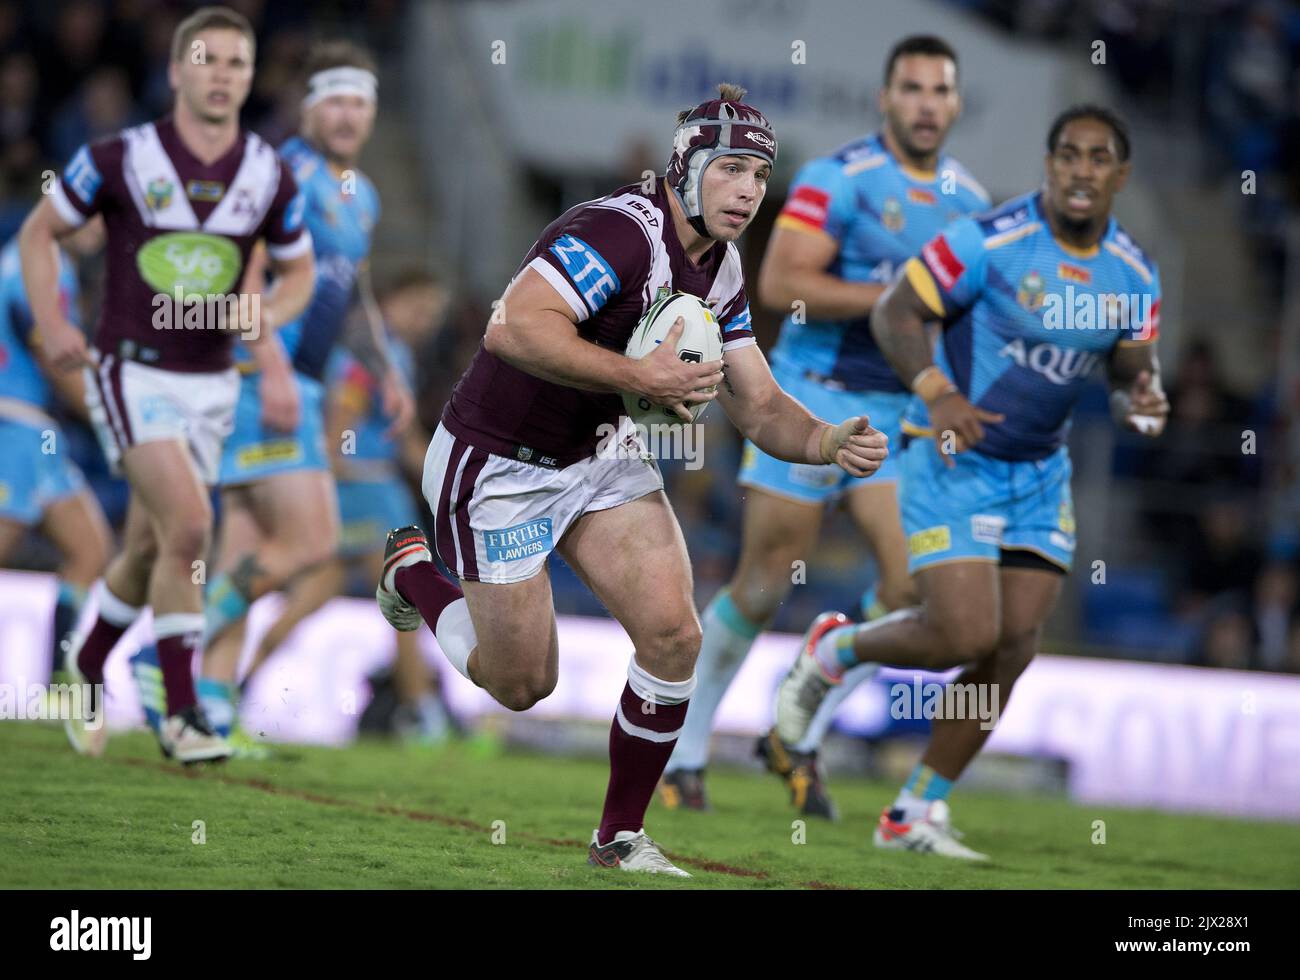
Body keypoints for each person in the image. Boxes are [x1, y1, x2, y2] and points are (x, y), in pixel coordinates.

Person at [375, 84, 888, 876]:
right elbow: (510, 327)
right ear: (686, 168)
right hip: (499, 462)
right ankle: (414, 574)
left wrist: (826, 439)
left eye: (759, 174)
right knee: (520, 685)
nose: (748, 190)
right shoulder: (617, 231)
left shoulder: (722, 269)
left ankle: (619, 839)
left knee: (676, 633)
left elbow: (757, 407)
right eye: (731, 170)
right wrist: (638, 376)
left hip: (602, 453)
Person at [773, 105, 1168, 859]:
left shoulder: (1136, 274)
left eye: (1098, 158)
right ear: (1049, 164)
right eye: (1067, 154)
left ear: (1119, 175)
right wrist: (936, 390)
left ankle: (915, 811)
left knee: (1014, 642)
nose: (1081, 170)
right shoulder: (988, 240)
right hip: (953, 456)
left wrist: (1140, 399)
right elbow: (896, 311)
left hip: (1040, 473)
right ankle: (837, 651)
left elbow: (1129, 367)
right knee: (964, 632)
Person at [661, 35, 991, 818]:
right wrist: (901, 299)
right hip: (812, 396)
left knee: (913, 588)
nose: (924, 102)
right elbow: (781, 280)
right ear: (885, 98)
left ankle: (797, 724)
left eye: (939, 90)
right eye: (910, 87)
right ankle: (686, 752)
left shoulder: (971, 200)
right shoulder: (836, 178)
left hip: (901, 415)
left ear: (955, 104)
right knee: (768, 579)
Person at [19, 5, 315, 762]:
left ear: (252, 77)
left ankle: (86, 665)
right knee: (189, 524)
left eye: (237, 64)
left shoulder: (269, 172)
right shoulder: (118, 157)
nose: (222, 76)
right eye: (208, 60)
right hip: (128, 372)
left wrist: (263, 313)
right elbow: (37, 233)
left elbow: (300, 274)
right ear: (179, 69)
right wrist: (56, 329)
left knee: (152, 544)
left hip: (213, 383)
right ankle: (181, 714)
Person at [183, 40, 412, 748]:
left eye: (360, 104)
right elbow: (242, 272)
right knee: (313, 545)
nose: (347, 116)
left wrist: (388, 370)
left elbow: (355, 289)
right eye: (335, 101)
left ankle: (209, 710)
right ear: (309, 108)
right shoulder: (285, 172)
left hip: (296, 383)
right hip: (265, 378)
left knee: (245, 544)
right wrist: (272, 368)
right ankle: (173, 641)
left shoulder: (360, 194)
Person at [240, 270, 455, 743]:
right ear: (390, 300)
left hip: (368, 490)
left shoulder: (386, 355)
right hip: (370, 492)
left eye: (432, 316)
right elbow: (341, 433)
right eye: (419, 309)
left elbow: (400, 439)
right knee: (408, 596)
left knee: (316, 591)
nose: (425, 322)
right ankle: (421, 716)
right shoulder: (365, 358)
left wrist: (443, 480)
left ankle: (236, 682)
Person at [0, 226, 111, 681]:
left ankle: (58, 681)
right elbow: (56, 364)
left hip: (39, 431)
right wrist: (117, 420)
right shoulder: (38, 267)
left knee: (90, 549)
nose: (100, 229)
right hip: (13, 424)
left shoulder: (50, 263)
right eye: (93, 216)